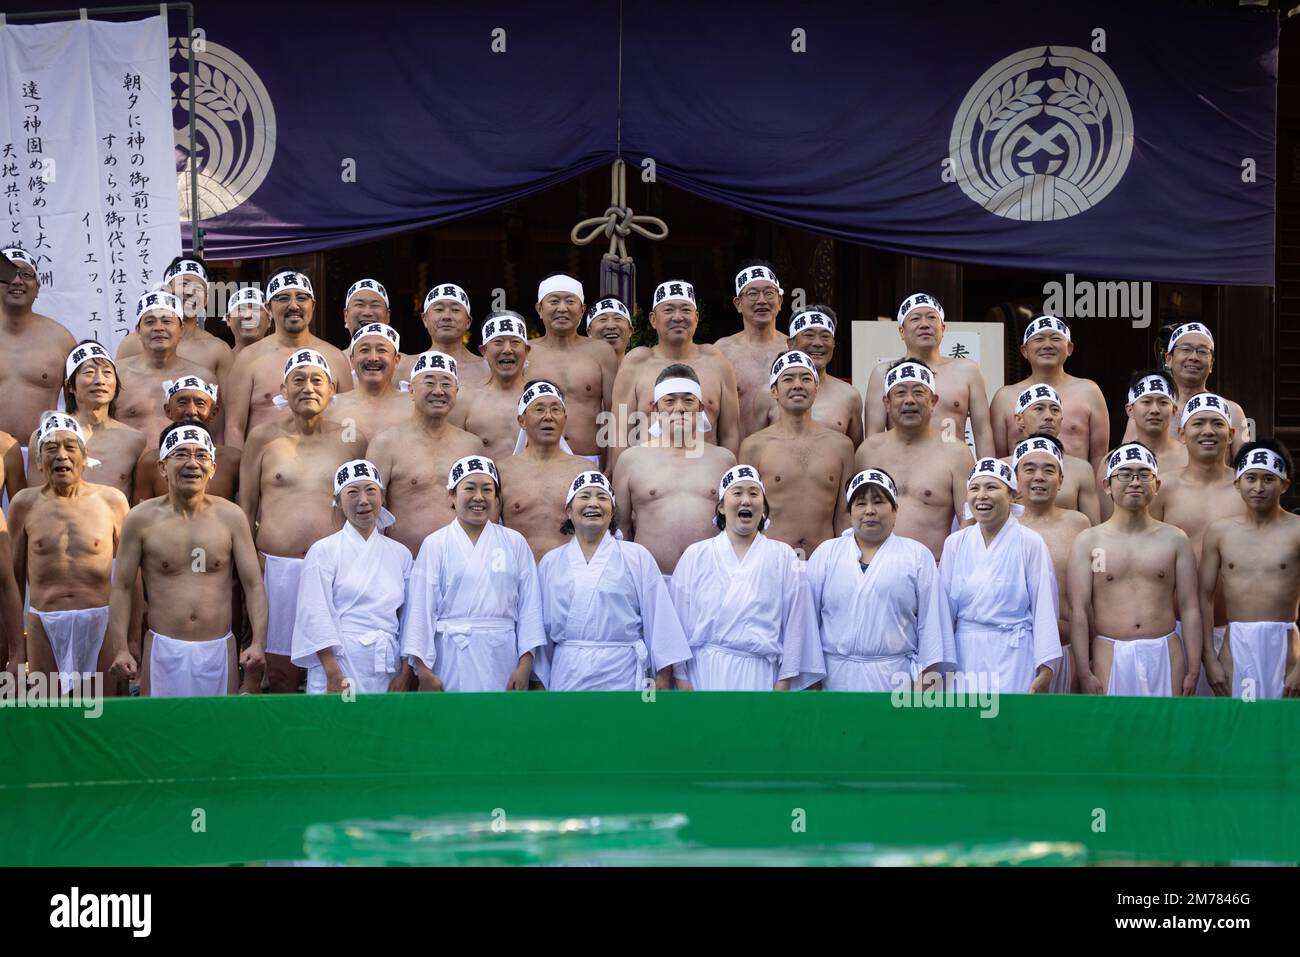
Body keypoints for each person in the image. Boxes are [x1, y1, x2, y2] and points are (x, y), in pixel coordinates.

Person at [105, 422, 267, 696]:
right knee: (158, 733)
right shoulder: (140, 519)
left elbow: (253, 584)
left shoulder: (231, 517)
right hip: (163, 648)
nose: (192, 463)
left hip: (217, 648)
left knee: (216, 733)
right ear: (161, 467)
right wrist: (121, 647)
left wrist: (258, 642)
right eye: (181, 454)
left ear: (213, 468)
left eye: (201, 455)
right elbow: (121, 587)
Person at [240, 349, 367, 692]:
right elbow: (246, 506)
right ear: (283, 389)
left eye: (316, 380)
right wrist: (252, 567)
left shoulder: (351, 439)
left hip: (336, 570)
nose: (307, 387)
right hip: (276, 569)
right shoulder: (264, 438)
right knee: (280, 672)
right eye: (298, 379)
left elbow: (365, 505)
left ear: (331, 390)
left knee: (334, 668)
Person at [669, 465, 824, 690]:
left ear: (764, 506)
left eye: (754, 493)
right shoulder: (696, 555)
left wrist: (784, 680)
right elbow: (677, 619)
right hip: (705, 672)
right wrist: (681, 676)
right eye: (737, 493)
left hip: (761, 675)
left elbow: (797, 623)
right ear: (721, 507)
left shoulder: (783, 556)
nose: (746, 501)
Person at [398, 455, 545, 691]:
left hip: (502, 659)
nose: (479, 497)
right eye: (469, 488)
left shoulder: (514, 542)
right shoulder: (435, 544)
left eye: (487, 489)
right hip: (451, 659)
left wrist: (525, 666)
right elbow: (420, 609)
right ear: (452, 496)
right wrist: (423, 670)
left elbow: (530, 607)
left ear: (497, 498)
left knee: (498, 725)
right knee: (453, 726)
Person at [536, 470, 691, 691]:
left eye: (602, 498)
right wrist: (539, 681)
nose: (593, 504)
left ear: (612, 512)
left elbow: (659, 621)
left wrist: (663, 678)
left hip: (622, 673)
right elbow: (540, 631)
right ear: (569, 511)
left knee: (623, 726)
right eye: (584, 496)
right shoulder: (550, 563)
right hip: (568, 673)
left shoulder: (637, 556)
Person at [1068, 443, 1202, 696]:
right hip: (1110, 652)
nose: (1135, 482)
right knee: (1114, 733)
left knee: (1165, 732)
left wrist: (1194, 668)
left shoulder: (1175, 540)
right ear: (1107, 485)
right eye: (1125, 474)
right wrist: (1084, 670)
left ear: (1157, 485)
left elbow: (1190, 607)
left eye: (1144, 474)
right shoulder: (1089, 541)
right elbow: (1079, 611)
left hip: (1165, 651)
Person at [9, 414, 130, 693]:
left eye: (70, 447)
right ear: (39, 461)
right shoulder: (23, 504)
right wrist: (16, 648)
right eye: (51, 449)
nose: (61, 455)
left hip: (100, 620)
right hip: (44, 621)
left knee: (101, 714)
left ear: (85, 458)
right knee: (49, 715)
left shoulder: (112, 501)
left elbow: (129, 579)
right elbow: (12, 581)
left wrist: (129, 639)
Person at [805, 468, 951, 691]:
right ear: (850, 512)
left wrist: (923, 690)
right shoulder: (826, 554)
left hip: (894, 680)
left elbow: (931, 627)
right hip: (834, 679)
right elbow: (808, 624)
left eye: (879, 502)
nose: (870, 511)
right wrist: (812, 684)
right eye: (861, 503)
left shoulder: (917, 556)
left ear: (895, 510)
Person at [938, 458, 1060, 694]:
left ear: (1013, 495)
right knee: (968, 728)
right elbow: (943, 613)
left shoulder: (1030, 542)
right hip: (965, 655)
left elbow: (1044, 605)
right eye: (974, 488)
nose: (981, 495)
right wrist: (942, 666)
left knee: (1011, 728)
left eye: (992, 487)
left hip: (1015, 655)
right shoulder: (955, 543)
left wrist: (1045, 667)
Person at [1150, 392, 1244, 694]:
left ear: (1230, 434)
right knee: (1178, 733)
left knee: (1237, 731)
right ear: (1181, 432)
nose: (1207, 431)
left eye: (1217, 424)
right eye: (1198, 423)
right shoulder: (1163, 487)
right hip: (1175, 629)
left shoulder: (1247, 488)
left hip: (1235, 631)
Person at [291, 459, 411, 694]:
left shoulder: (401, 554)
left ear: (382, 496)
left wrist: (405, 671)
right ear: (338, 501)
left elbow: (409, 617)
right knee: (337, 729)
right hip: (339, 662)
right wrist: (332, 670)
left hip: (385, 663)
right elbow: (314, 612)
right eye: (353, 493)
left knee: (380, 729)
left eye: (370, 491)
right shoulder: (323, 551)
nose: (363, 501)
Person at [1199, 440, 1300, 698]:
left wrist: (1299, 666)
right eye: (1251, 478)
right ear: (1237, 483)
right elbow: (1204, 596)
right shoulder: (1220, 532)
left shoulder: (1297, 530)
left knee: (1284, 731)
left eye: (1268, 479)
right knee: (1236, 729)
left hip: (1285, 643)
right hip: (1236, 643)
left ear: (1284, 484)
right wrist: (1210, 658)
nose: (1258, 487)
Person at [613, 365, 736, 575]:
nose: (679, 408)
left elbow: (733, 527)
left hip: (711, 580)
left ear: (700, 409)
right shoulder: (630, 460)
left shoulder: (724, 460)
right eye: (669, 401)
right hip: (651, 580)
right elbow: (620, 530)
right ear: (655, 409)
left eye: (688, 400)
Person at [609, 280, 740, 474]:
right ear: (653, 319)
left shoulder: (716, 362)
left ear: (696, 318)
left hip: (706, 477)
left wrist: (728, 479)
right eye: (668, 310)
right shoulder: (636, 362)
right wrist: (622, 478)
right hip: (650, 478)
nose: (678, 317)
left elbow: (730, 432)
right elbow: (620, 431)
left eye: (686, 310)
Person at [737, 350, 855, 558]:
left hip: (825, 560)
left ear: (816, 388)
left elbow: (844, 516)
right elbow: (745, 512)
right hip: (771, 560)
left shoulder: (841, 446)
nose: (798, 385)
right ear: (774, 391)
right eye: (788, 379)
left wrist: (845, 559)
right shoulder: (754, 446)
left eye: (806, 378)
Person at [854, 358, 973, 561]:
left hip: (935, 568)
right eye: (900, 393)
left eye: (919, 392)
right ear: (887, 403)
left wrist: (953, 567)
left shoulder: (957, 453)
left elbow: (969, 520)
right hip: (875, 567)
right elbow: (854, 514)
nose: (909, 400)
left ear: (933, 401)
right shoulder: (869, 450)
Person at [366, 350, 482, 556]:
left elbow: (485, 508)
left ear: (456, 391)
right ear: (410, 390)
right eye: (429, 383)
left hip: (462, 563)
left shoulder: (472, 446)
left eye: (446, 384)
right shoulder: (386, 443)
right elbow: (369, 509)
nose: (438, 391)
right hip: (404, 562)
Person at [223, 271, 352, 448]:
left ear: (312, 305)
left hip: (325, 466)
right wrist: (243, 472)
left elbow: (349, 421)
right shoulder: (249, 359)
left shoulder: (335, 358)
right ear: (268, 308)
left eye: (301, 297)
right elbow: (234, 428)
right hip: (266, 468)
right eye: (283, 298)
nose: (293, 306)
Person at [865, 292, 994, 457]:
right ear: (901, 331)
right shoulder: (883, 373)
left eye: (932, 317)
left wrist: (986, 474)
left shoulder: (968, 371)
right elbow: (873, 437)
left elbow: (983, 432)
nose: (924, 324)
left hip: (954, 465)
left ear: (943, 328)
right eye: (915, 319)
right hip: (900, 467)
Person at [1012, 434, 1090, 692]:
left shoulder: (1079, 524)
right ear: (1015, 478)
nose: (1039, 477)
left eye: (1048, 470)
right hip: (1014, 656)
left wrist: (1085, 661)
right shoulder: (1000, 528)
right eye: (1029, 469)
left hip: (1069, 649)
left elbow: (1091, 597)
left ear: (1061, 480)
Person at [26, 341, 145, 499]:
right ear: (69, 386)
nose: (100, 380)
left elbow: (140, 508)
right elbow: (36, 501)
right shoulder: (45, 437)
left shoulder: (135, 441)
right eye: (89, 372)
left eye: (107, 373)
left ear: (116, 383)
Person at [522, 274, 618, 465]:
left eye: (570, 301)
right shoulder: (525, 352)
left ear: (582, 310)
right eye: (554, 301)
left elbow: (613, 413)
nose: (562, 308)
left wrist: (612, 464)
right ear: (539, 309)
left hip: (590, 458)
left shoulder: (601, 352)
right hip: (535, 461)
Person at [990, 316, 1109, 468]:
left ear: (1069, 348)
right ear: (1025, 350)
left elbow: (1099, 457)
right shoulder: (1004, 397)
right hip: (1020, 488)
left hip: (1074, 486)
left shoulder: (1089, 391)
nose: (1047, 345)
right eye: (1039, 339)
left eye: (1056, 338)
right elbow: (998, 457)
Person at [1123, 322, 1248, 459]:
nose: (1193, 357)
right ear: (1168, 359)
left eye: (1202, 351)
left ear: (1211, 363)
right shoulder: (1146, 412)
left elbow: (1246, 468)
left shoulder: (1232, 411)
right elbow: (1128, 462)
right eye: (1186, 349)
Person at [498, 381, 590, 562]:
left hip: (569, 577)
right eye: (539, 409)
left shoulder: (584, 470)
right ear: (521, 420)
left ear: (565, 418)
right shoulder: (502, 472)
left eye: (556, 410)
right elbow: (487, 531)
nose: (548, 416)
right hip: (518, 575)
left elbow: (602, 530)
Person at [115, 256, 234, 390]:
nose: (190, 292)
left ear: (206, 299)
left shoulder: (218, 351)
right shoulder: (132, 343)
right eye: (183, 284)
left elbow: (226, 407)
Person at [0, 247, 78, 445]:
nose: (17, 281)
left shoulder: (61, 339)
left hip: (45, 455)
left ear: (37, 287)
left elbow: (79, 405)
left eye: (26, 275)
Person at [754, 307, 864, 446]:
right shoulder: (767, 394)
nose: (818, 343)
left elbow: (856, 456)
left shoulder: (849, 395)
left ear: (834, 344)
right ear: (790, 344)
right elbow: (754, 447)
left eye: (825, 336)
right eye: (809, 335)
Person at [115, 291, 210, 446]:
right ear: (138, 330)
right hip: (129, 466)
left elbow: (217, 435)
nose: (159, 328)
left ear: (181, 329)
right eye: (150, 322)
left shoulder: (203, 377)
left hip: (185, 466)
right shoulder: (116, 375)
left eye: (166, 321)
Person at [713, 263, 791, 440]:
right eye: (752, 293)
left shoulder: (795, 348)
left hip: (785, 457)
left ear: (780, 301)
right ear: (738, 304)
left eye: (769, 293)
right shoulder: (722, 351)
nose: (762, 300)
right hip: (738, 456)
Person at [134, 374, 240, 501]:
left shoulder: (234, 461)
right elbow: (142, 515)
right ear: (168, 410)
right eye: (182, 403)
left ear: (214, 412)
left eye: (200, 404)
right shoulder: (150, 462)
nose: (191, 411)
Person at [1006, 382, 1099, 524]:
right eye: (1039, 409)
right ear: (1019, 419)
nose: (1048, 416)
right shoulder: (1003, 467)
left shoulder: (1081, 469)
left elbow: (1093, 530)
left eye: (1055, 410)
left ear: (1061, 419)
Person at [1099, 371, 1186, 521]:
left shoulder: (1189, 456)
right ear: (1130, 410)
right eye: (1146, 402)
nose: (1155, 410)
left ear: (1174, 410)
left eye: (1163, 402)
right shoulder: (1112, 462)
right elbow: (1106, 522)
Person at [451, 312, 535, 462]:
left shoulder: (541, 397)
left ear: (526, 351)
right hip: (482, 483)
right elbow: (451, 455)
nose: (507, 350)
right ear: (484, 351)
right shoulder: (465, 398)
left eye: (515, 342)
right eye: (498, 342)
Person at [329, 322, 410, 442]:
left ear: (396, 360)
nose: (373, 358)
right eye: (364, 350)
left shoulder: (414, 406)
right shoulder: (332, 407)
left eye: (381, 350)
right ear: (352, 359)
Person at [396, 283, 489, 386]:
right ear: (424, 319)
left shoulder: (487, 368)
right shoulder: (403, 366)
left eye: (455, 310)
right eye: (439, 309)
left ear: (468, 321)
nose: (446, 316)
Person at [223, 286, 272, 358]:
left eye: (256, 309)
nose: (248, 315)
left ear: (269, 320)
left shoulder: (284, 363)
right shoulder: (217, 364)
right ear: (228, 319)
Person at [585, 296, 634, 363]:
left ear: (630, 330)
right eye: (603, 319)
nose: (611, 326)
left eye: (618, 319)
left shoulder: (642, 372)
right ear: (589, 332)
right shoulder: (577, 372)